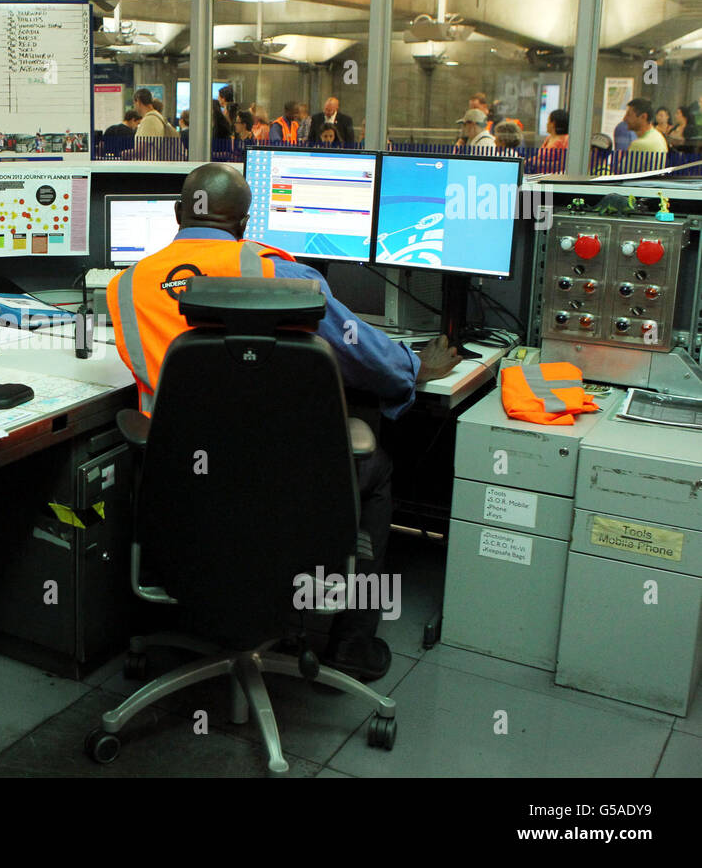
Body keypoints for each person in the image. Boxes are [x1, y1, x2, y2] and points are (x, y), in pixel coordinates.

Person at [105, 163, 462, 681]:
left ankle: (209, 603)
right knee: (376, 466)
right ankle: (352, 641)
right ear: (245, 224)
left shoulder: (124, 286)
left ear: (178, 213)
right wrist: (413, 366)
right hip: (286, 483)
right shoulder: (284, 275)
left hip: (183, 483)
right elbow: (371, 361)